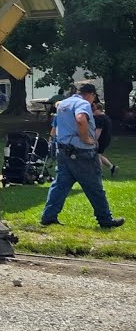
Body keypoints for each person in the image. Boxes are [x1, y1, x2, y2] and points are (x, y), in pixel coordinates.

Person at [42, 83, 125, 228]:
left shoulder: (63, 103)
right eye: (94, 98)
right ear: (90, 94)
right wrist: (86, 138)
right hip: (81, 153)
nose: (93, 102)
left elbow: (58, 106)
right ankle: (105, 219)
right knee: (94, 186)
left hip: (63, 151)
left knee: (60, 186)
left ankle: (48, 216)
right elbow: (81, 119)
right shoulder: (83, 104)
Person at [94, 101, 117, 176]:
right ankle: (112, 167)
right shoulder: (106, 117)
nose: (93, 112)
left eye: (94, 110)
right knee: (99, 154)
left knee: (97, 156)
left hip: (101, 139)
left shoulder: (100, 118)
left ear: (99, 109)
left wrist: (95, 140)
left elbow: (98, 130)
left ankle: (100, 173)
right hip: (106, 139)